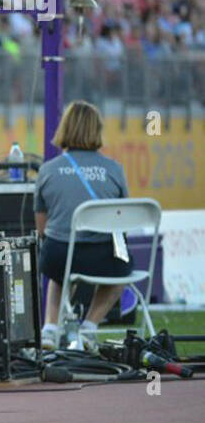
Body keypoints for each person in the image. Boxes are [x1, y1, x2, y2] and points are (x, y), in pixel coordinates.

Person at [34, 100, 132, 351]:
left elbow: (43, 230)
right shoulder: (115, 170)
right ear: (97, 130)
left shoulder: (47, 171)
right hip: (104, 257)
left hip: (58, 256)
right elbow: (123, 222)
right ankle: (89, 327)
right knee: (120, 275)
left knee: (59, 272)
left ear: (65, 128)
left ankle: (50, 329)